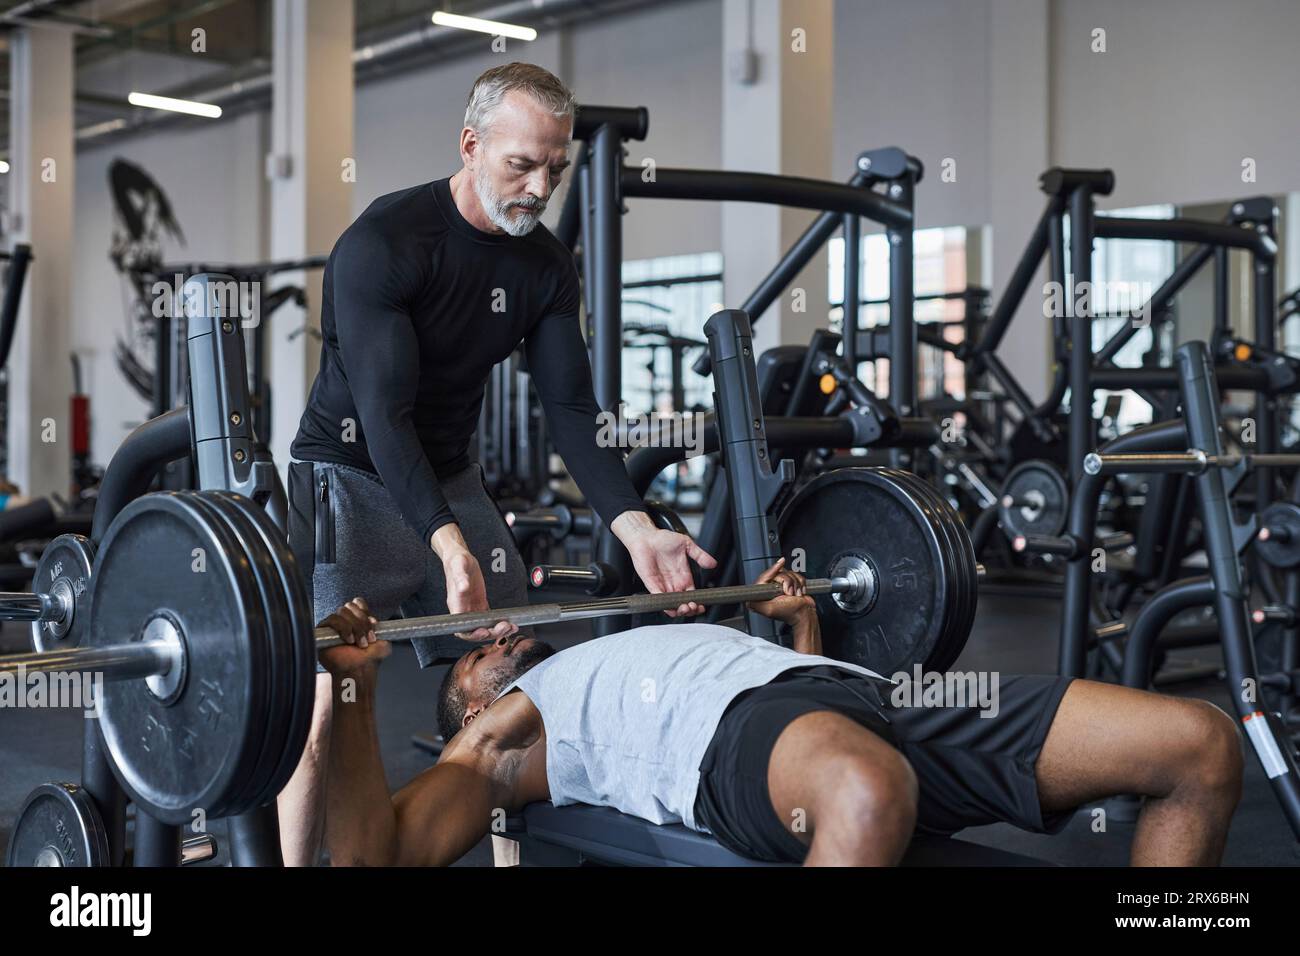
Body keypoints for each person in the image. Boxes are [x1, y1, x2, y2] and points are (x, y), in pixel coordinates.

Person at [279, 61, 716, 865]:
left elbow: (572, 411)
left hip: (451, 481)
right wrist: (448, 546)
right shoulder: (384, 243)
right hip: (348, 478)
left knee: (517, 694)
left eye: (555, 168)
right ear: (471, 145)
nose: (540, 187)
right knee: (323, 708)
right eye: (522, 164)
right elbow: (385, 417)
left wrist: (637, 528)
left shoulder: (543, 266)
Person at [317, 560, 1244, 867]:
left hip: (862, 695)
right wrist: (353, 687)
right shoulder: (498, 739)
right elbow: (371, 857)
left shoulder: (603, 654)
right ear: (470, 705)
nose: (498, 636)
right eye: (476, 654)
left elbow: (796, 693)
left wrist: (801, 626)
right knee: (866, 794)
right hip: (721, 739)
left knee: (1199, 745)